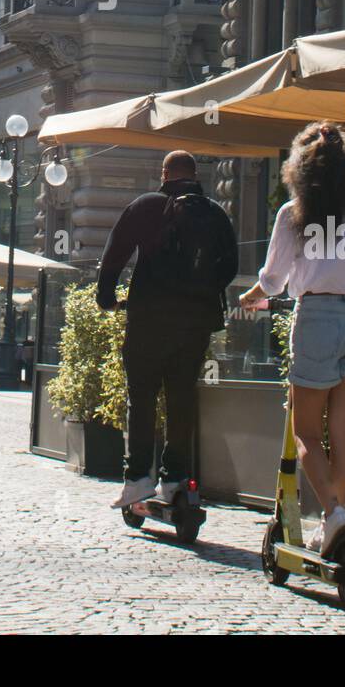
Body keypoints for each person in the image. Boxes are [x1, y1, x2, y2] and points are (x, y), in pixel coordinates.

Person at [239, 121, 345, 556]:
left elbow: (273, 279)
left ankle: (336, 514)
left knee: (305, 431)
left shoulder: (294, 213)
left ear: (297, 169)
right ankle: (333, 519)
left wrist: (251, 298)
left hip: (318, 319)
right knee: (343, 430)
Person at [96, 150, 238, 510]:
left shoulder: (145, 207)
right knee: (181, 398)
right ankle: (176, 478)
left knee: (141, 396)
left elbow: (115, 254)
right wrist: (202, 292)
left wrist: (107, 297)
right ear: (194, 175)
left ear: (164, 173)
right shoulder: (215, 213)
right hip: (195, 322)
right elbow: (231, 265)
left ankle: (138, 478)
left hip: (148, 317)